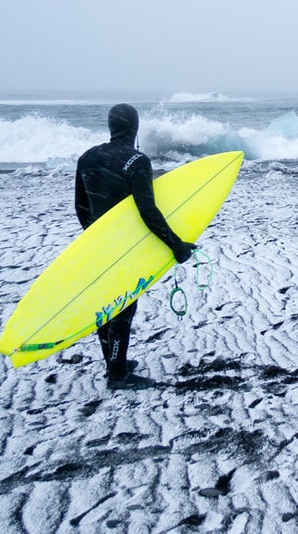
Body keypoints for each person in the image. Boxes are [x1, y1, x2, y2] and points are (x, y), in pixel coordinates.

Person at [75, 103, 196, 390]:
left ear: (111, 126)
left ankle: (114, 363)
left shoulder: (87, 157)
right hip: (123, 247)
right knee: (123, 307)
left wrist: (93, 237)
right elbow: (147, 210)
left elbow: (80, 206)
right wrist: (175, 245)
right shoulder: (136, 161)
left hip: (95, 244)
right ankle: (118, 375)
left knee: (106, 305)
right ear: (135, 127)